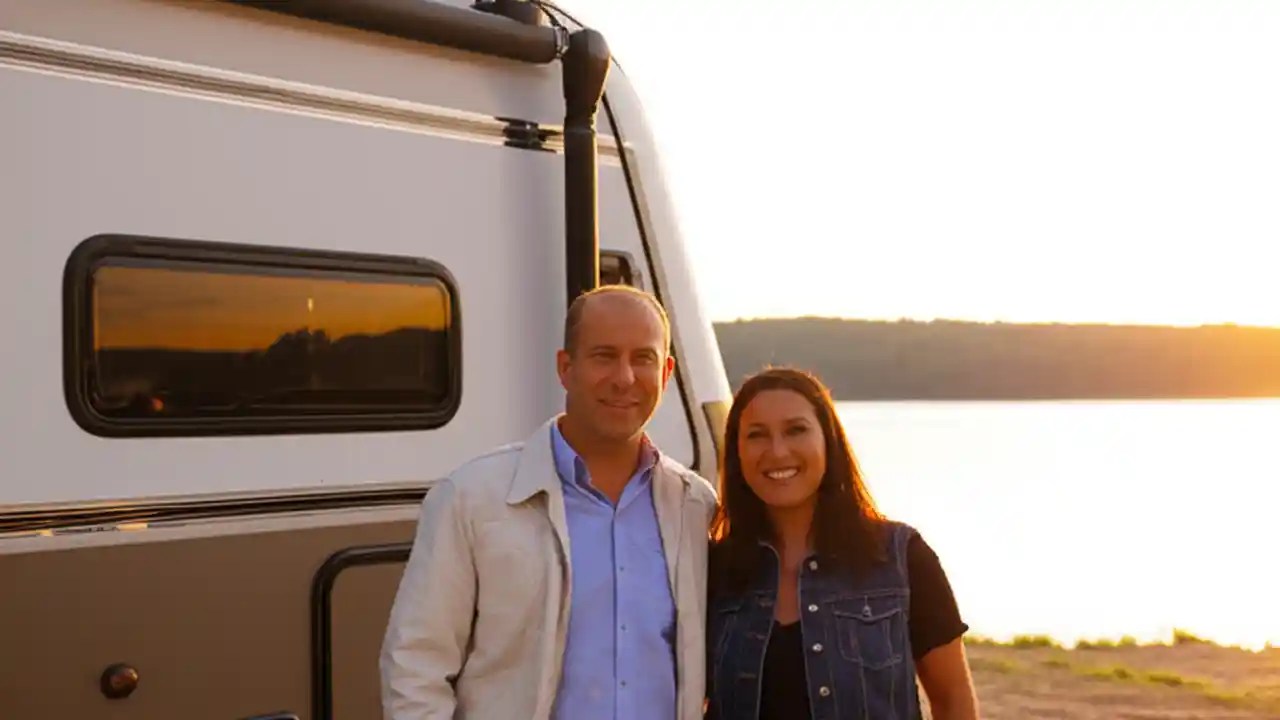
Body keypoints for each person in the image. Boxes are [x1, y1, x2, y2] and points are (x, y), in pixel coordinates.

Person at [380, 285, 718, 720]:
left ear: (666, 372)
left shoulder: (694, 506)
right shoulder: (472, 499)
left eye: (643, 359)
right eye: (604, 355)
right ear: (566, 367)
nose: (624, 378)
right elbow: (414, 669)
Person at [705, 367, 979, 720]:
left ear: (828, 441)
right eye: (757, 435)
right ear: (737, 454)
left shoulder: (900, 557)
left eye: (796, 430)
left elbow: (954, 700)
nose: (777, 451)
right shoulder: (714, 570)